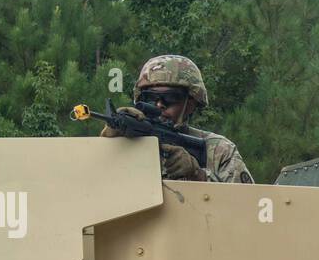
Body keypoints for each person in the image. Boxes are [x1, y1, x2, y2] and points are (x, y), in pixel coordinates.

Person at [101, 55, 254, 184]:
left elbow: (248, 208)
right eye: (150, 98)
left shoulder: (219, 151)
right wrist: (109, 141)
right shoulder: (124, 143)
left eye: (170, 98)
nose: (159, 105)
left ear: (191, 104)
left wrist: (198, 175)